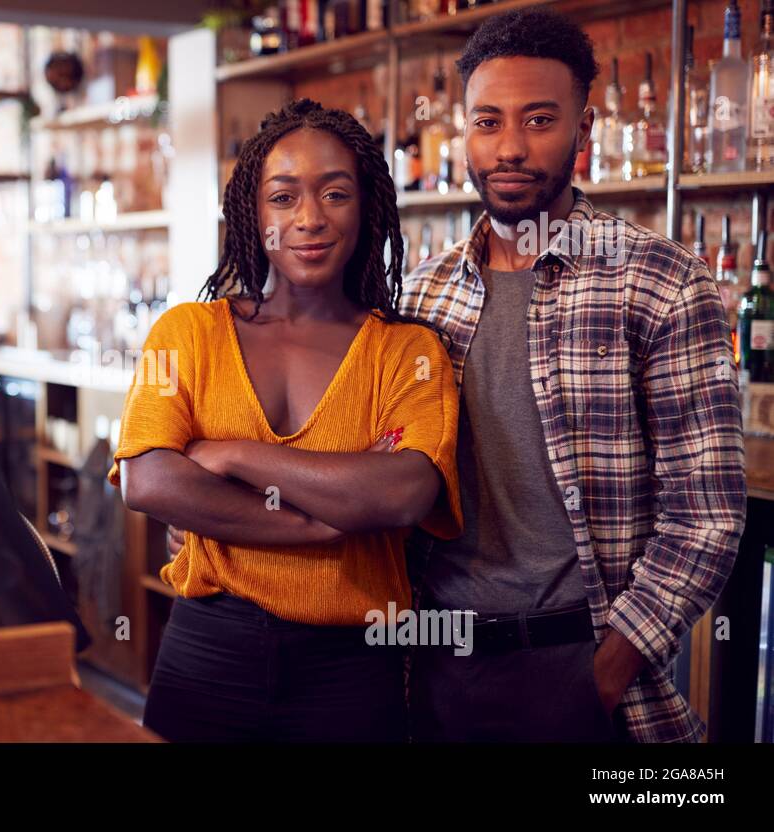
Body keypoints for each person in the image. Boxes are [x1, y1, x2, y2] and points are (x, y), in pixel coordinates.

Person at [399, 8, 746, 742]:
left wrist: (603, 674)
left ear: (584, 130)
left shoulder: (663, 283)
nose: (510, 148)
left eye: (540, 120)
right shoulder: (422, 294)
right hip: (434, 668)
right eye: (487, 122)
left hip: (583, 670)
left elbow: (707, 515)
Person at [108, 99, 462, 742]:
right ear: (253, 211)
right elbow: (149, 480)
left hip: (353, 672)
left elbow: (405, 490)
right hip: (207, 654)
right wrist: (319, 521)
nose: (309, 219)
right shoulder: (184, 334)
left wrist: (233, 456)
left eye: (335, 194)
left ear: (367, 208)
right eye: (283, 197)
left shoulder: (408, 352)